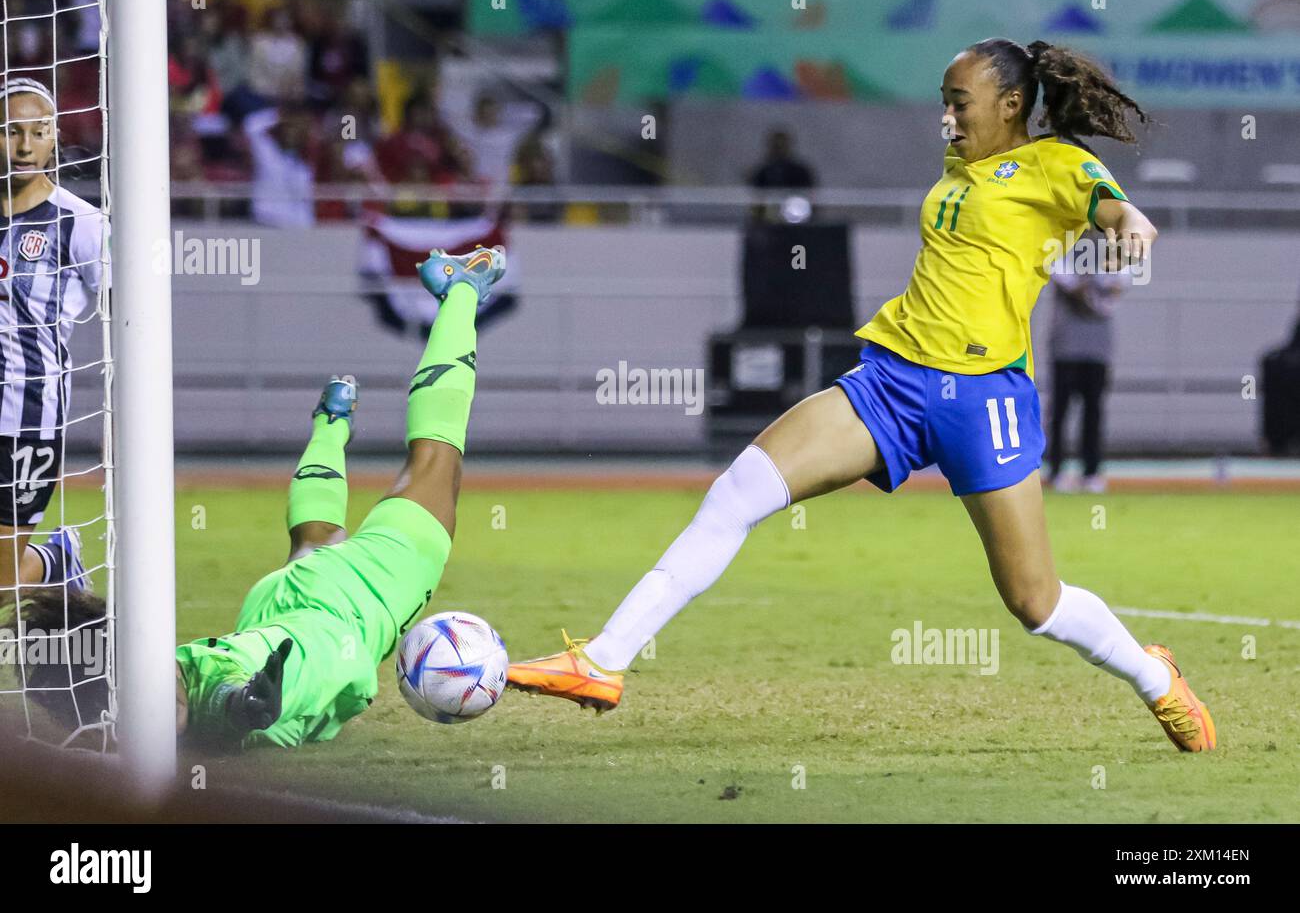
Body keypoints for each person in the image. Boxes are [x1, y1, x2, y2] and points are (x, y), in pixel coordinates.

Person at [509, 38, 1217, 753]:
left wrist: (1130, 233)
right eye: (943, 101)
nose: (945, 116)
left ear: (1011, 105)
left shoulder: (1060, 165)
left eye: (958, 101)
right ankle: (602, 661)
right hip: (891, 383)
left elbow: (1125, 214)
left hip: (983, 400)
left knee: (1036, 601)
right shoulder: (959, 163)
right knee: (737, 493)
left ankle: (1155, 679)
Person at [20, 246, 506, 747]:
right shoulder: (170, 676)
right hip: (275, 602)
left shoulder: (244, 668)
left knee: (435, 461)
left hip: (339, 612)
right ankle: (330, 425)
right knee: (315, 545)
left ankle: (460, 289)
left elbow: (256, 675)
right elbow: (206, 690)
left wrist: (241, 704)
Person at [0, 77, 105, 609]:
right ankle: (53, 559)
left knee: (1, 583)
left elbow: (128, 310)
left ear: (53, 139)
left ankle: (56, 556)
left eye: (36, 133)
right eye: (10, 131)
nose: (23, 145)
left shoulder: (79, 223)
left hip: (25, 419)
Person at [1046, 246, 1124, 493]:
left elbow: (1115, 289)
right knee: (1060, 412)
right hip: (1065, 349)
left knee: (1094, 413)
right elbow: (1074, 289)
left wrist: (1092, 281)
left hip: (1097, 351)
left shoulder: (1112, 254)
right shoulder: (1060, 251)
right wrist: (1094, 283)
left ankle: (1091, 472)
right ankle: (1056, 471)